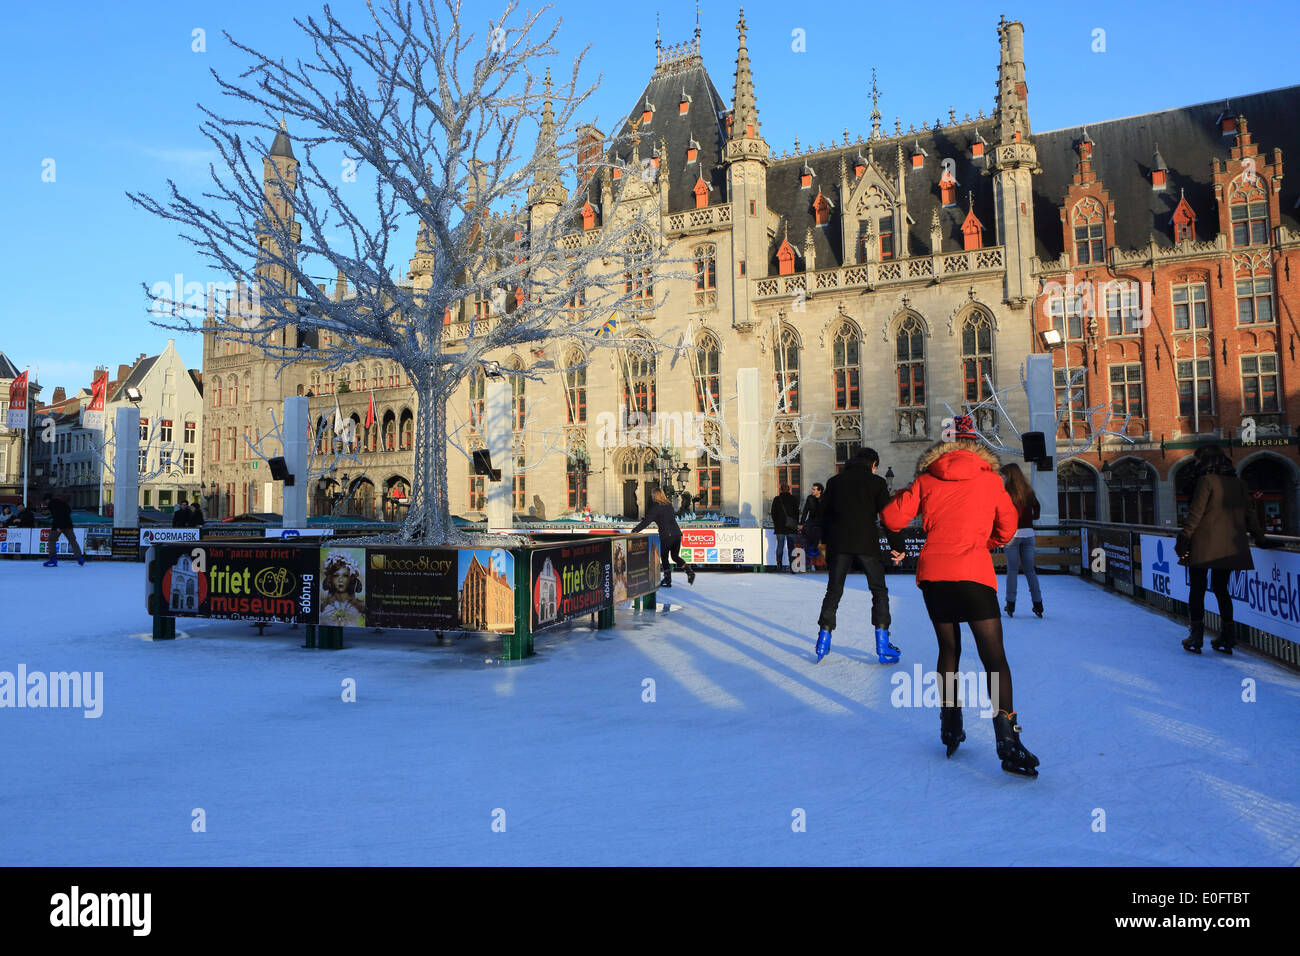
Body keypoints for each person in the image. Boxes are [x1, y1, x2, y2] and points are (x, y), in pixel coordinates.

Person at [881, 416, 1038, 777]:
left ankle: (950, 722)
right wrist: (987, 544)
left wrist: (911, 492)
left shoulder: (926, 479)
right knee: (994, 657)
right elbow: (1008, 527)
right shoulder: (990, 480)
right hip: (974, 573)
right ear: (976, 448)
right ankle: (1007, 736)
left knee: (948, 650)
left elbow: (891, 519)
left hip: (935, 574)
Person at [815, 448, 906, 663]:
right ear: (873, 464)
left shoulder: (835, 482)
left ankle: (823, 641)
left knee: (833, 591)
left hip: (840, 544)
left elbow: (823, 515)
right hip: (867, 544)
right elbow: (888, 517)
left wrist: (826, 542)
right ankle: (883, 645)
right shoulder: (877, 483)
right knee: (879, 591)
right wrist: (898, 547)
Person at [1176, 445, 1268, 655]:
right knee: (1221, 589)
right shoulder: (1239, 483)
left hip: (1204, 543)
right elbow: (1250, 515)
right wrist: (1260, 538)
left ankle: (1196, 635)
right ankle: (1227, 636)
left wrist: (1184, 538)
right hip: (1230, 545)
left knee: (1197, 588)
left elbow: (1195, 515)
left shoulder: (1206, 481)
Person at [999, 463, 1043, 618]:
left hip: (1012, 536)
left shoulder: (1006, 493)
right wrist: (1028, 518)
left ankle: (1010, 604)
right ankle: (1038, 604)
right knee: (1030, 570)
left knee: (1012, 570)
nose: (1002, 478)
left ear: (1009, 476)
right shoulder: (1029, 492)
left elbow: (1002, 514)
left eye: (1003, 475)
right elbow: (1036, 512)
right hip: (1028, 534)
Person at [631, 488, 695, 588]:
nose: (652, 496)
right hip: (677, 534)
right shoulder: (669, 505)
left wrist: (635, 531)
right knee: (675, 556)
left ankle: (667, 579)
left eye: (653, 495)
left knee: (664, 557)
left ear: (655, 496)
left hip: (667, 535)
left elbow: (646, 521)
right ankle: (689, 571)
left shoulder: (656, 507)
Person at [42, 492, 85, 567]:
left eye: (45, 501)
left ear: (47, 500)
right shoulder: (62, 502)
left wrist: (58, 526)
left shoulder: (52, 504)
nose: (46, 503)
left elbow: (57, 515)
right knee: (72, 541)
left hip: (58, 525)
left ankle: (53, 558)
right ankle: (79, 558)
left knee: (51, 539)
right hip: (68, 524)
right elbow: (67, 511)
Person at [770, 483, 799, 571]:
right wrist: (795, 523)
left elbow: (773, 513)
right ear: (789, 489)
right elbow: (797, 513)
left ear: (781, 490)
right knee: (791, 547)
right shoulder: (793, 499)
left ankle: (779, 564)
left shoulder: (777, 499)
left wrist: (776, 522)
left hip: (780, 527)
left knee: (780, 545)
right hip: (791, 527)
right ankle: (792, 565)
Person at [799, 482, 825, 571]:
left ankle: (820, 562)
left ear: (820, 491)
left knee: (820, 541)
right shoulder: (810, 498)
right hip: (812, 522)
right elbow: (805, 511)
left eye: (814, 489)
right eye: (812, 489)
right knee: (808, 539)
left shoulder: (824, 498)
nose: (812, 491)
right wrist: (801, 523)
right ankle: (810, 561)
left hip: (822, 522)